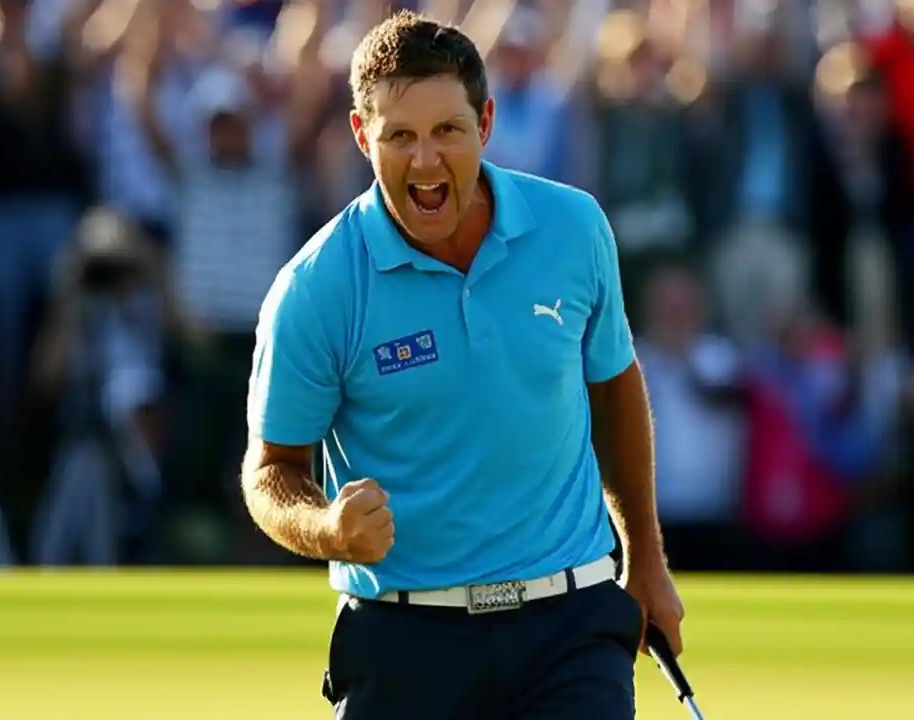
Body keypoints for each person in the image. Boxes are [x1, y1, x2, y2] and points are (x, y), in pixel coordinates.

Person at [241, 11, 683, 719]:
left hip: (568, 625)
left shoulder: (574, 227)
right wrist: (328, 529)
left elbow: (612, 388)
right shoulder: (316, 287)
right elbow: (271, 471)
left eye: (447, 130)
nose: (425, 161)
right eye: (400, 136)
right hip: (405, 636)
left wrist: (647, 560)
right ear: (361, 135)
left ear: (485, 123)